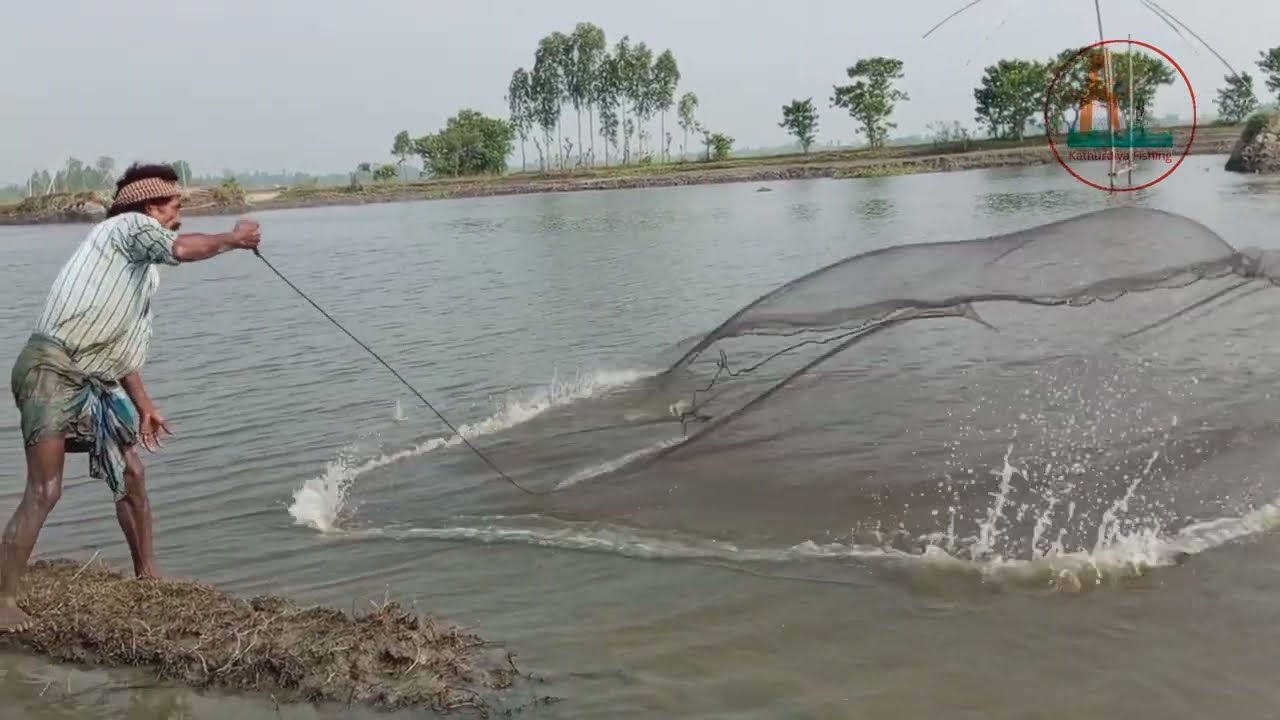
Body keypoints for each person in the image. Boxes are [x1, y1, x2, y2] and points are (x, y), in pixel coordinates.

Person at [0, 162, 262, 631]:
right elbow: (182, 248)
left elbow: (119, 351)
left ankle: (147, 574)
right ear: (149, 208)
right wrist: (233, 238)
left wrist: (145, 406)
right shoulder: (126, 227)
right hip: (50, 369)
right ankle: (3, 599)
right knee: (45, 490)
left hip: (95, 378)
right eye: (173, 206)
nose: (178, 215)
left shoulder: (141, 270)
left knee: (133, 473)